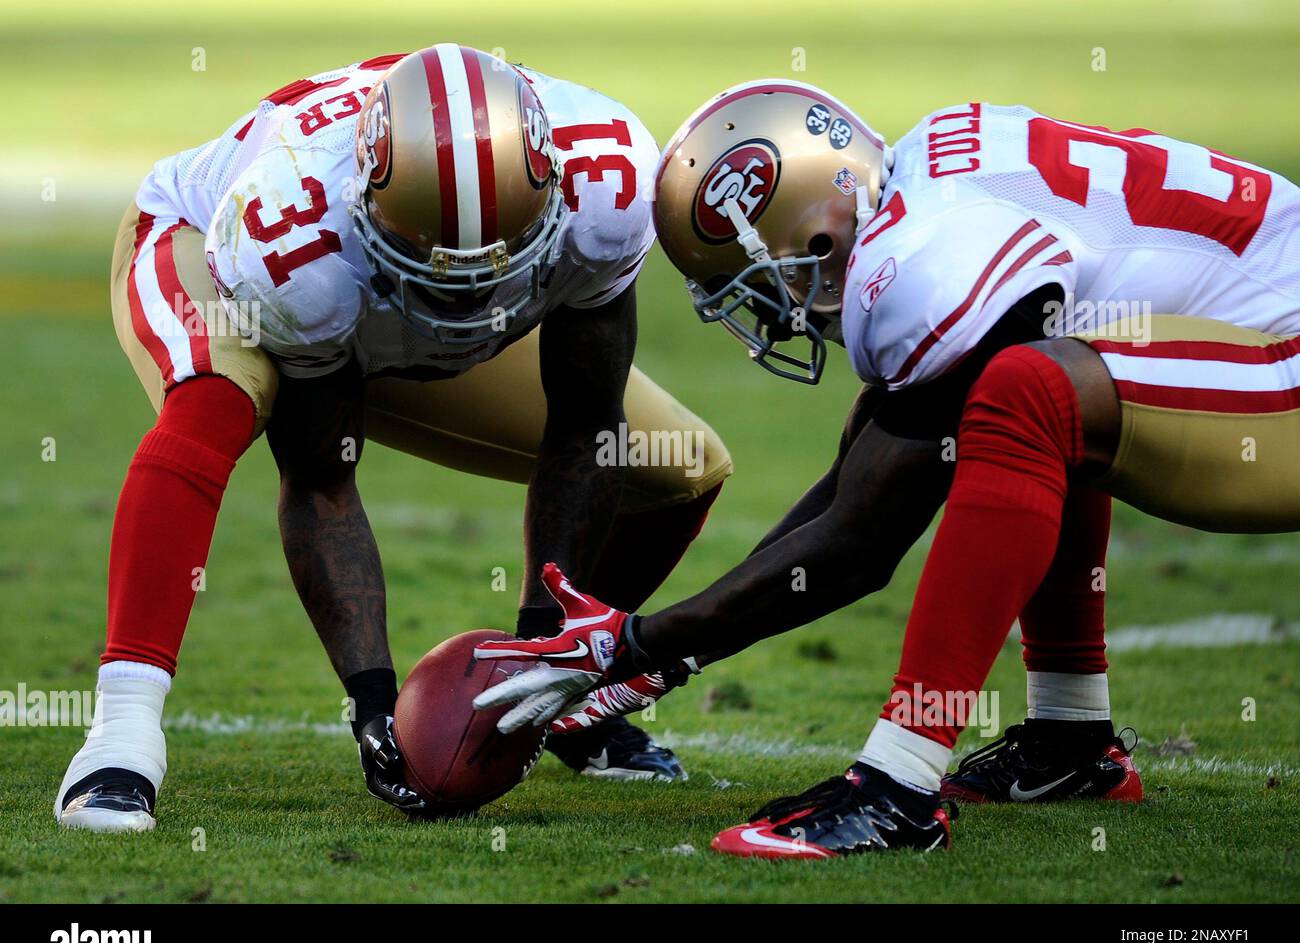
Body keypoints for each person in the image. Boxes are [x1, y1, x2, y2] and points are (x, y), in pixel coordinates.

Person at [471, 80, 1299, 857]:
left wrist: (635, 643)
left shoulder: (922, 269)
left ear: (814, 231)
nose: (767, 314)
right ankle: (1070, 741)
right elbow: (850, 484)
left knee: (1030, 393)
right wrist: (653, 658)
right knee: (1050, 372)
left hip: (1283, 356)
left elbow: (861, 543)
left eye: (753, 285)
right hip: (1259, 325)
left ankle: (895, 790)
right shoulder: (928, 177)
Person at [56, 46, 733, 833]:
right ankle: (120, 737)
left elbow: (586, 423)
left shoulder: (607, 184)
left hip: (383, 287)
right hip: (217, 247)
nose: (468, 290)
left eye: (492, 263)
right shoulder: (292, 243)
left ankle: (574, 710)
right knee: (215, 397)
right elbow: (321, 479)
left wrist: (543, 661)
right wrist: (374, 702)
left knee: (681, 464)